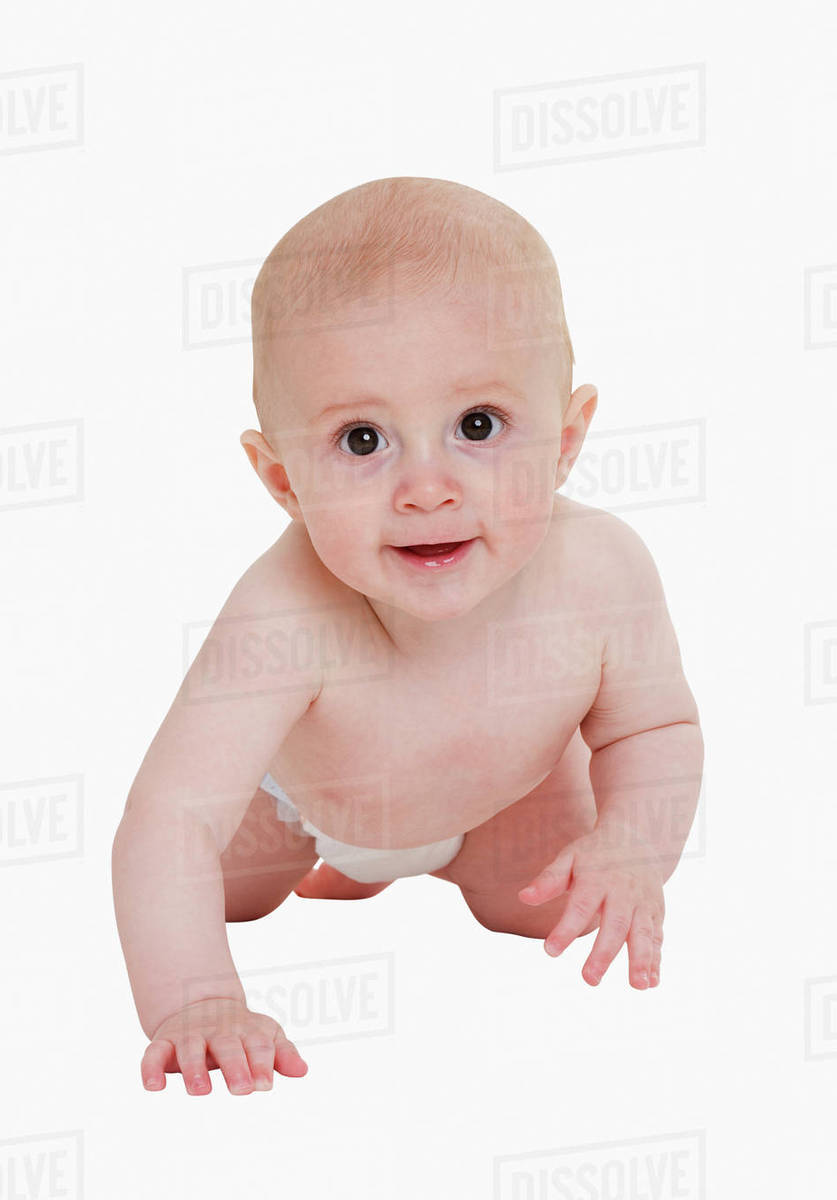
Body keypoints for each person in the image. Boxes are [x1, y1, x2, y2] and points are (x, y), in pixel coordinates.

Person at [112, 176, 704, 1096]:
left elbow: (652, 729)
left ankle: (449, 859)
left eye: (477, 425)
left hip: (509, 799)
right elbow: (167, 819)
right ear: (280, 480)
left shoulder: (601, 573)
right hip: (300, 806)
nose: (426, 488)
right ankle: (342, 870)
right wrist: (194, 1003)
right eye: (361, 440)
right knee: (225, 895)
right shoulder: (286, 613)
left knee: (537, 906)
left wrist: (633, 843)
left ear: (566, 438)